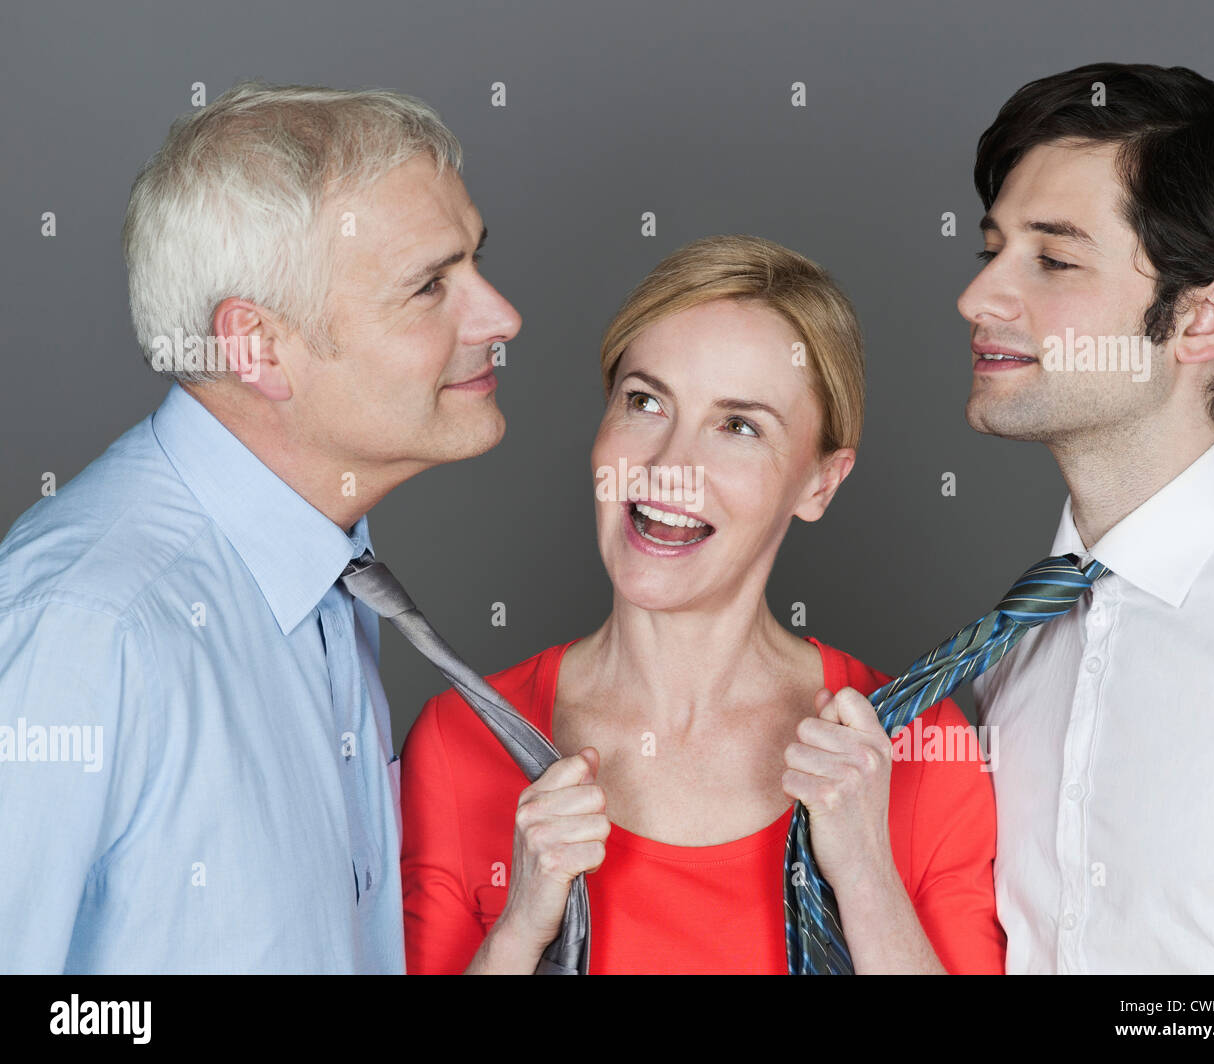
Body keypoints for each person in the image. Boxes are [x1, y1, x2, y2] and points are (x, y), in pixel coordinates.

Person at [0, 82, 521, 973]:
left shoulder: (324, 575)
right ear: (256, 347)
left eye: (473, 262)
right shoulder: (87, 627)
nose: (501, 317)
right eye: (430, 284)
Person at [402, 235, 1006, 974]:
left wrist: (868, 878)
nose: (667, 468)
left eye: (739, 425)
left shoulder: (918, 746)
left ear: (821, 482)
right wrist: (520, 929)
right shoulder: (460, 740)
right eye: (646, 402)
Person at [959, 62, 1214, 972]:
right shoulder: (1017, 643)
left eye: (1054, 259)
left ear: (1200, 320)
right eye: (990, 250)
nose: (977, 298)